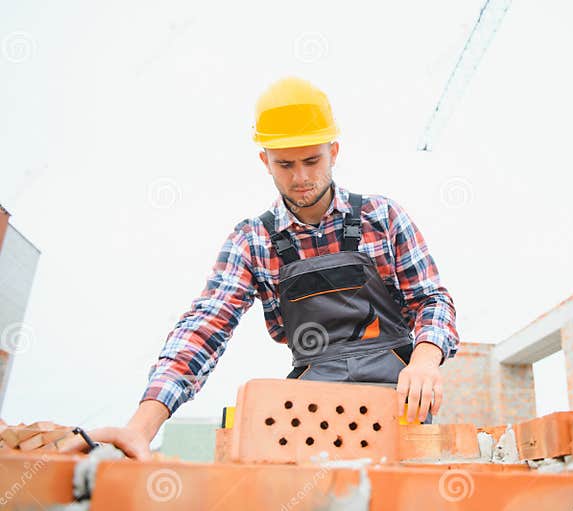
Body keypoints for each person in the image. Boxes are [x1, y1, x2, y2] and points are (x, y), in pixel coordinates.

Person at [67, 77, 459, 460]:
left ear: (334, 151)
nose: (301, 177)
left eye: (312, 160)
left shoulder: (383, 217)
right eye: (285, 164)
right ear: (264, 161)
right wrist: (141, 426)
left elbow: (431, 301)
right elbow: (206, 327)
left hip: (399, 405)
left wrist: (424, 361)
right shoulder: (253, 240)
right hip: (311, 414)